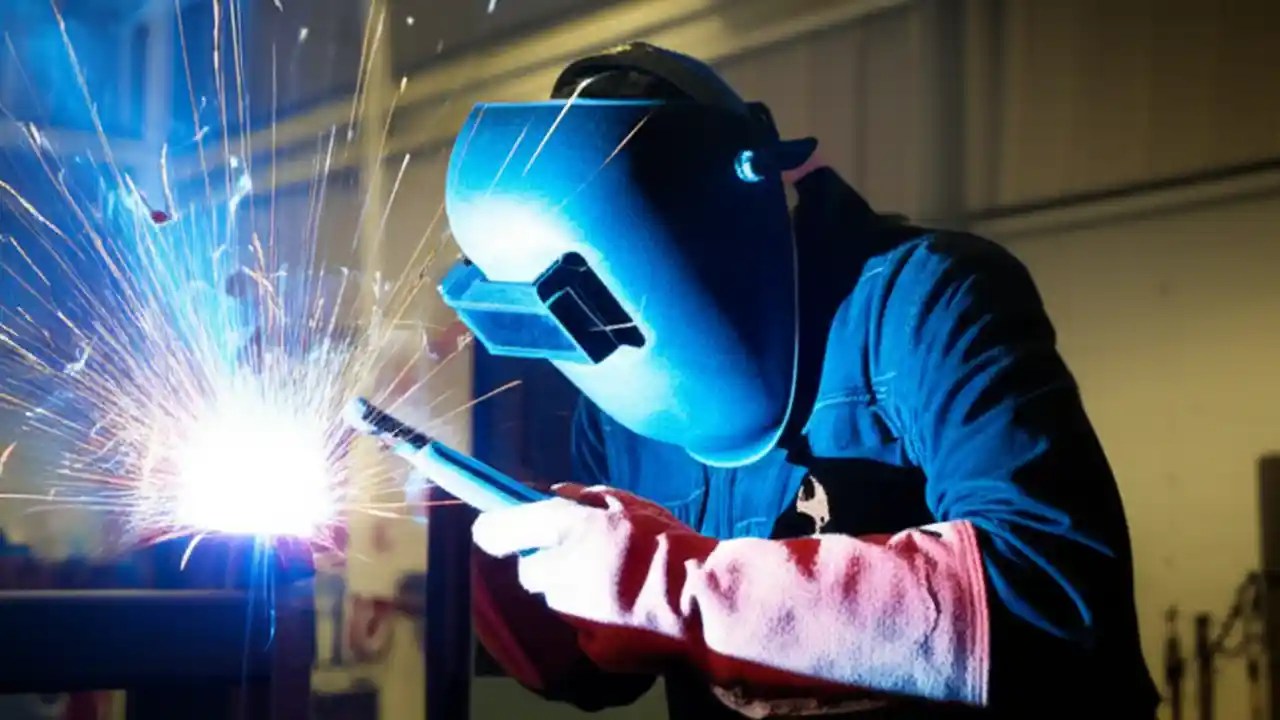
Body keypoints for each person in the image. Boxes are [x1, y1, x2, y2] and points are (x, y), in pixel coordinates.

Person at [439, 42, 1158, 718]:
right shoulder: (616, 400)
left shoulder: (923, 300)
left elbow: (1053, 601)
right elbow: (604, 675)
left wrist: (683, 590)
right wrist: (532, 591)